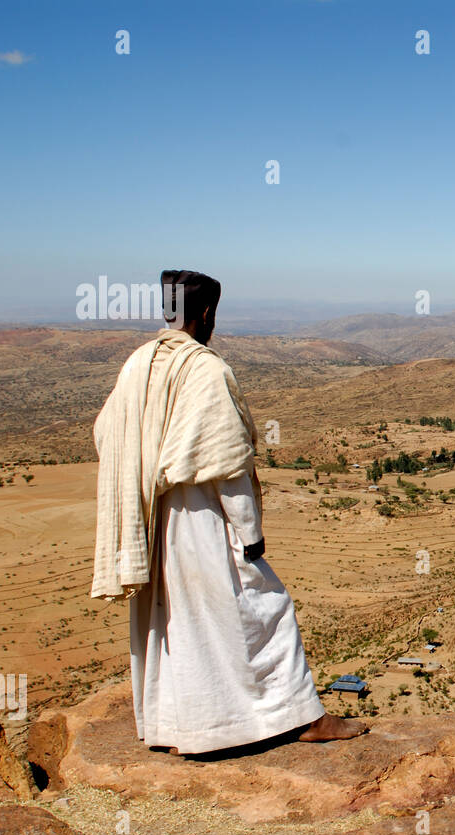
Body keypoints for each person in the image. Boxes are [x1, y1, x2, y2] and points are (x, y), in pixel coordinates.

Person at [91, 269, 366, 754]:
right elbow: (229, 467)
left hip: (153, 516)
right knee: (267, 607)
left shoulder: (137, 364)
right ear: (206, 313)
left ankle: (180, 730)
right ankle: (302, 718)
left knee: (173, 620)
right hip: (200, 517)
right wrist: (250, 532)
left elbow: (104, 434)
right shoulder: (206, 369)